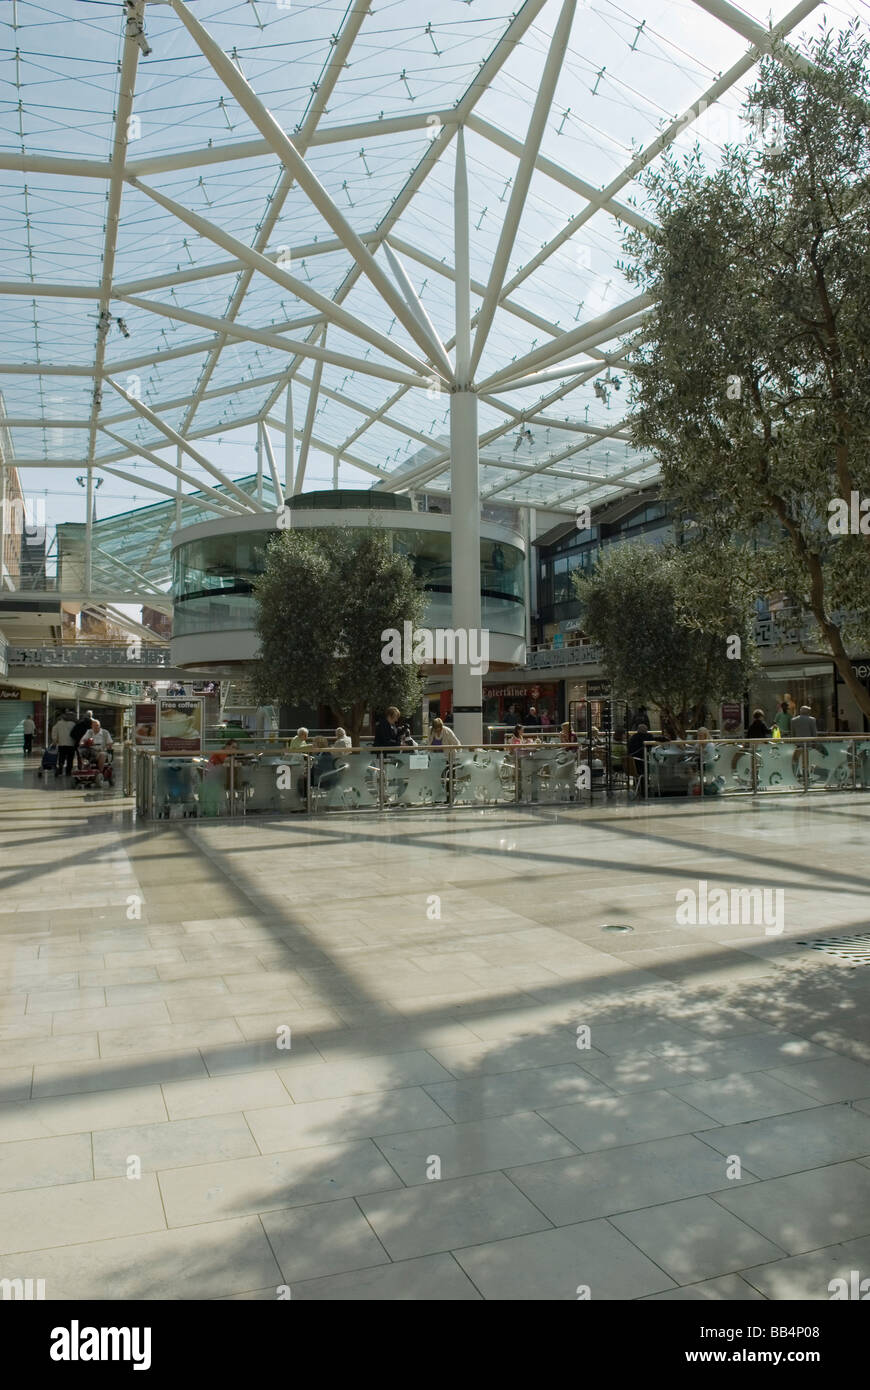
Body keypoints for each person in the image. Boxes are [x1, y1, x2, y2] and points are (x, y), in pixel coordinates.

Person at [50, 709, 76, 777]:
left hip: (62, 744)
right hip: (71, 744)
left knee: (61, 758)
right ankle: (68, 772)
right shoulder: (73, 724)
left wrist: (54, 740)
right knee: (70, 759)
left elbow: (54, 731)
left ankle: (60, 769)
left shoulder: (58, 723)